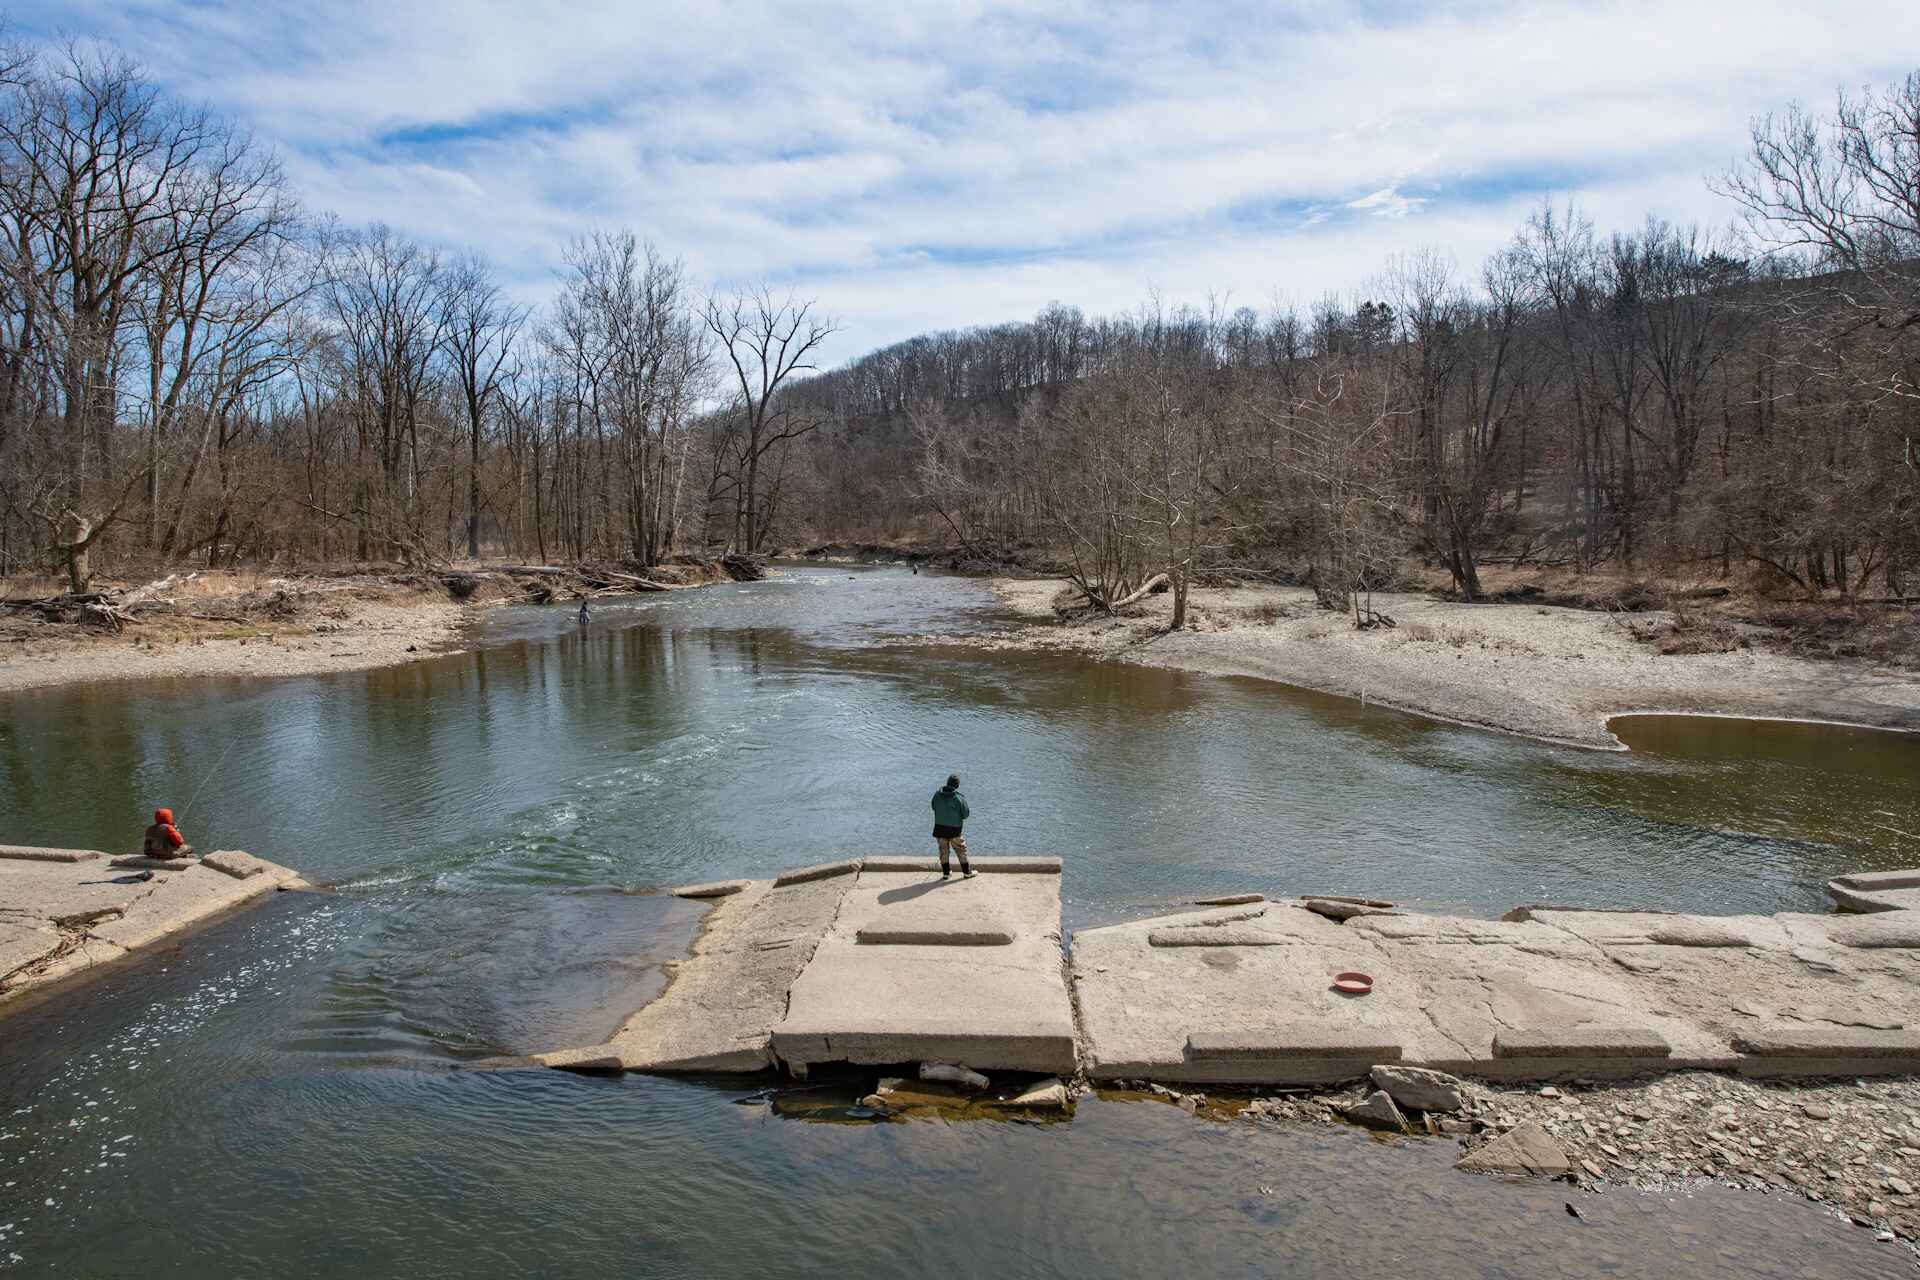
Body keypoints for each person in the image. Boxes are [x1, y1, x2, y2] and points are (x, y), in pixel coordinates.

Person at [930, 774, 973, 879]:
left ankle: (946, 873)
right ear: (957, 786)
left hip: (940, 828)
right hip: (954, 829)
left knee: (943, 850)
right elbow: (965, 815)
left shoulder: (936, 795)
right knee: (961, 850)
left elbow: (933, 807)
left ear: (947, 783)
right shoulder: (959, 798)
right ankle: (967, 872)